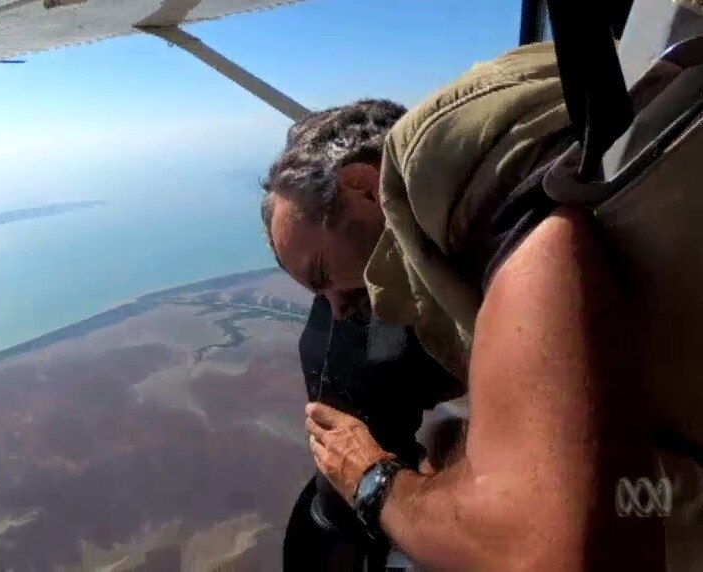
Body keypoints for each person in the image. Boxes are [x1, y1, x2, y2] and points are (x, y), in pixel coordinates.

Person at [262, 42, 666, 570]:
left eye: (323, 276)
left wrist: (373, 479)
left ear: (362, 186)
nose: (339, 311)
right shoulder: (528, 174)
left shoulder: (497, 208)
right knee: (449, 439)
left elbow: (561, 555)